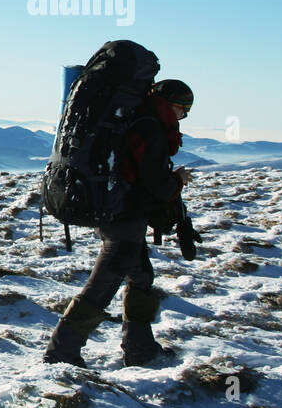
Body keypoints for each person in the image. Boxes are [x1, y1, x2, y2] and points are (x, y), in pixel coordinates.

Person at [44, 79, 196, 368]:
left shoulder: (134, 119)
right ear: (171, 104)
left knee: (140, 277)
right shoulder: (150, 127)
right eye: (183, 109)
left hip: (115, 212)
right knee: (102, 287)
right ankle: (60, 355)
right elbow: (156, 184)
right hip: (124, 218)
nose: (182, 117)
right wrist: (177, 180)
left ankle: (139, 347)